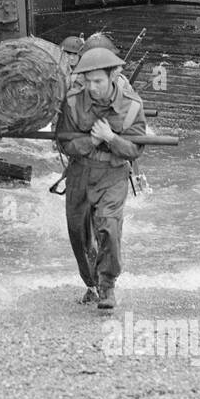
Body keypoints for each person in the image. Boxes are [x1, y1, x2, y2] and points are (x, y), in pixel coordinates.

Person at [57, 45, 147, 310]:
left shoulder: (131, 106)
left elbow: (135, 149)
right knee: (78, 232)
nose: (92, 87)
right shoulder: (73, 102)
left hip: (113, 173)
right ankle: (91, 283)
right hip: (80, 172)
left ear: (112, 77)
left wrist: (111, 138)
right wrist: (90, 140)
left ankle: (107, 286)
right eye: (87, 81)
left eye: (98, 81)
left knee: (108, 226)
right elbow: (63, 143)